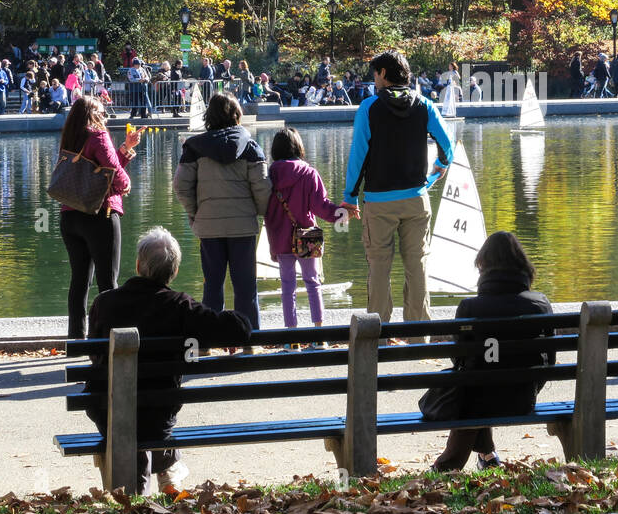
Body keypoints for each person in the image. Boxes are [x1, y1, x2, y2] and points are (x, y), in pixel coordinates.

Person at [84, 227, 251, 494]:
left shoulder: (104, 303)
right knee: (151, 418)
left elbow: (94, 355)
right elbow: (240, 329)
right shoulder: (180, 307)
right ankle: (168, 475)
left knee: (133, 415)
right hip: (157, 417)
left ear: (138, 264)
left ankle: (143, 485)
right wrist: (231, 323)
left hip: (107, 412)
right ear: (173, 272)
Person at [421, 232, 555, 471]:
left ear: (482, 266)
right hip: (522, 398)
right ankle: (487, 455)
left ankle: (448, 465)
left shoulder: (470, 307)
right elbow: (550, 360)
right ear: (523, 266)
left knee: (476, 382)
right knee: (482, 380)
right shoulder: (540, 304)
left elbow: (458, 357)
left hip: (477, 397)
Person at [344, 50, 454, 327]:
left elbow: (358, 156)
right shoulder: (425, 105)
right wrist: (438, 169)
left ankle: (377, 334)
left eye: (375, 74)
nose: (374, 79)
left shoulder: (369, 108)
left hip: (379, 201)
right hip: (416, 199)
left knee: (379, 267)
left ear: (382, 73)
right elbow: (447, 148)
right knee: (416, 265)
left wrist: (350, 197)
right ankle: (419, 333)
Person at [173, 91, 271, 330]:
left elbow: (180, 186)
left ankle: (209, 340)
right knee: (246, 287)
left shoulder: (195, 147)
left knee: (212, 285)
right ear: (237, 114)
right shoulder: (250, 146)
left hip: (208, 226)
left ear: (209, 115)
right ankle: (250, 340)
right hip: (243, 227)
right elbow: (263, 188)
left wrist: (195, 212)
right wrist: (255, 212)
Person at [58, 96, 142, 339]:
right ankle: (108, 339)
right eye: (103, 113)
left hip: (70, 216)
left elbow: (95, 171)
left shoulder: (70, 138)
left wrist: (126, 148)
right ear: (93, 115)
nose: (105, 118)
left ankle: (76, 339)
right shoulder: (98, 135)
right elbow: (115, 174)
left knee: (79, 281)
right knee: (108, 283)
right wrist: (125, 185)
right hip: (99, 215)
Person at [265, 127, 359, 333]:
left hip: (280, 237)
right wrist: (343, 213)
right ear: (298, 147)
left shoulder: (268, 176)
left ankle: (291, 336)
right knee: (312, 282)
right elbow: (321, 207)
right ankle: (319, 333)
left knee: (287, 286)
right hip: (307, 235)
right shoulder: (309, 173)